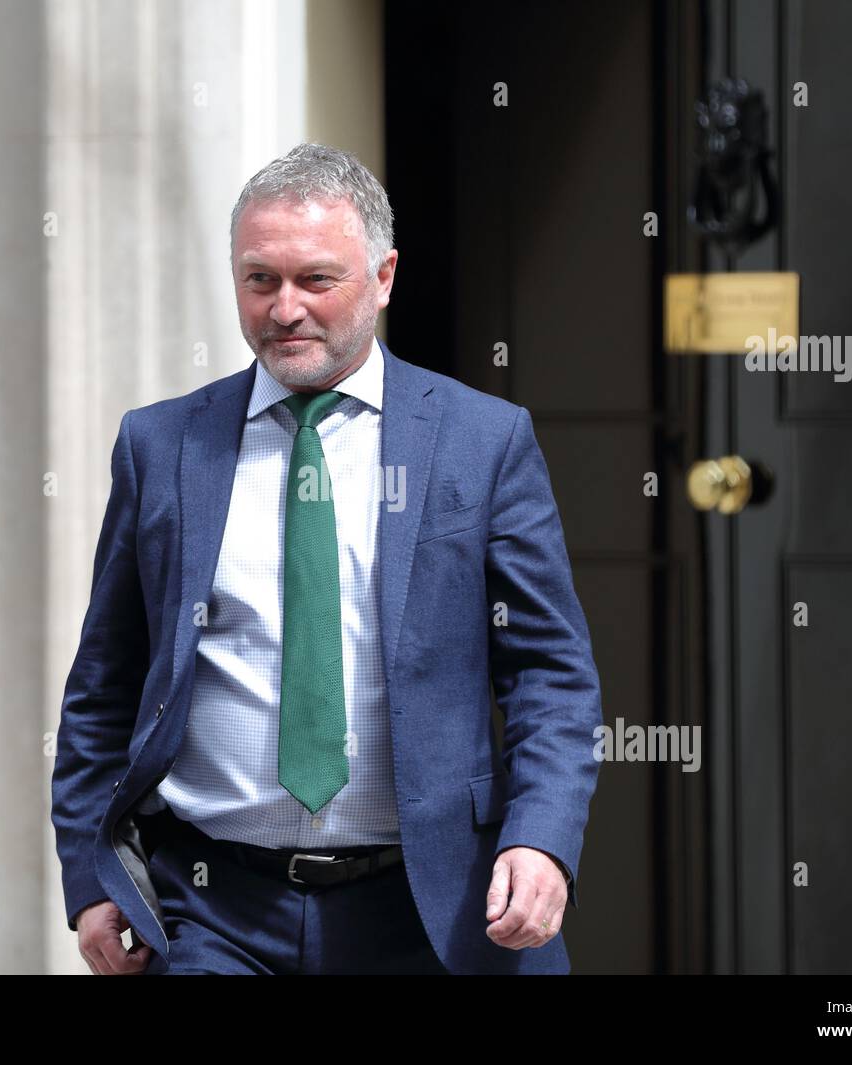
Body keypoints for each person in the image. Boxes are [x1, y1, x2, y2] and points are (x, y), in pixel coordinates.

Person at [51, 142, 603, 975]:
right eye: (259, 280)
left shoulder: (481, 443)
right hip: (213, 910)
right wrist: (93, 874)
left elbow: (550, 672)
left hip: (439, 909)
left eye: (316, 280)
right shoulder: (162, 446)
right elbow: (105, 682)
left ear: (382, 278)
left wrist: (541, 839)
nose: (284, 309)